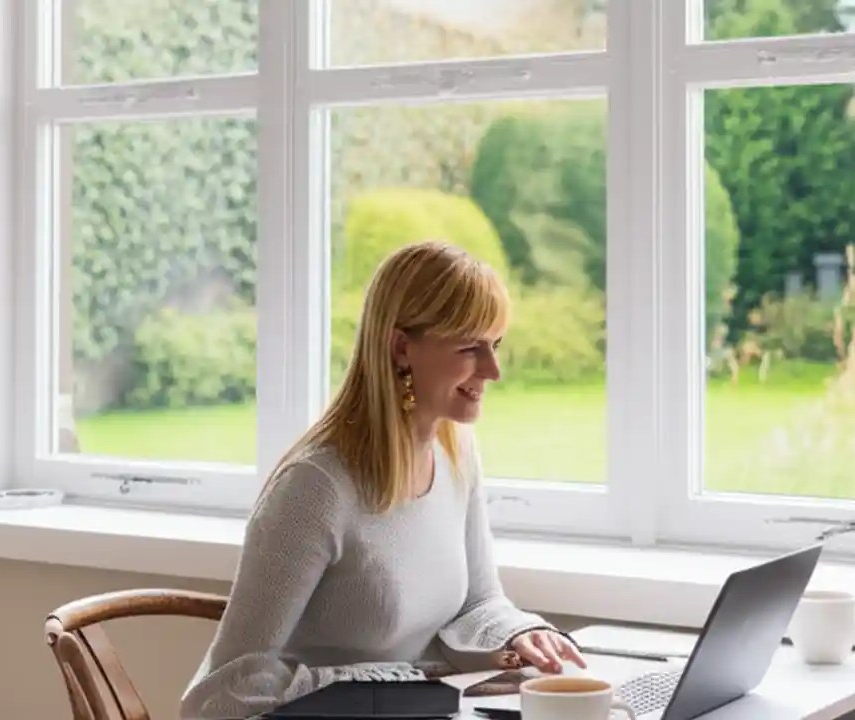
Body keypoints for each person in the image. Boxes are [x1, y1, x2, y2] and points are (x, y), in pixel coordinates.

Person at [181, 241, 586, 720]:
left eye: (494, 345)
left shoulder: (454, 450)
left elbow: (479, 601)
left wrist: (520, 632)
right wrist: (384, 681)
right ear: (400, 348)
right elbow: (219, 694)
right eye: (469, 347)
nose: (493, 370)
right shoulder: (315, 487)